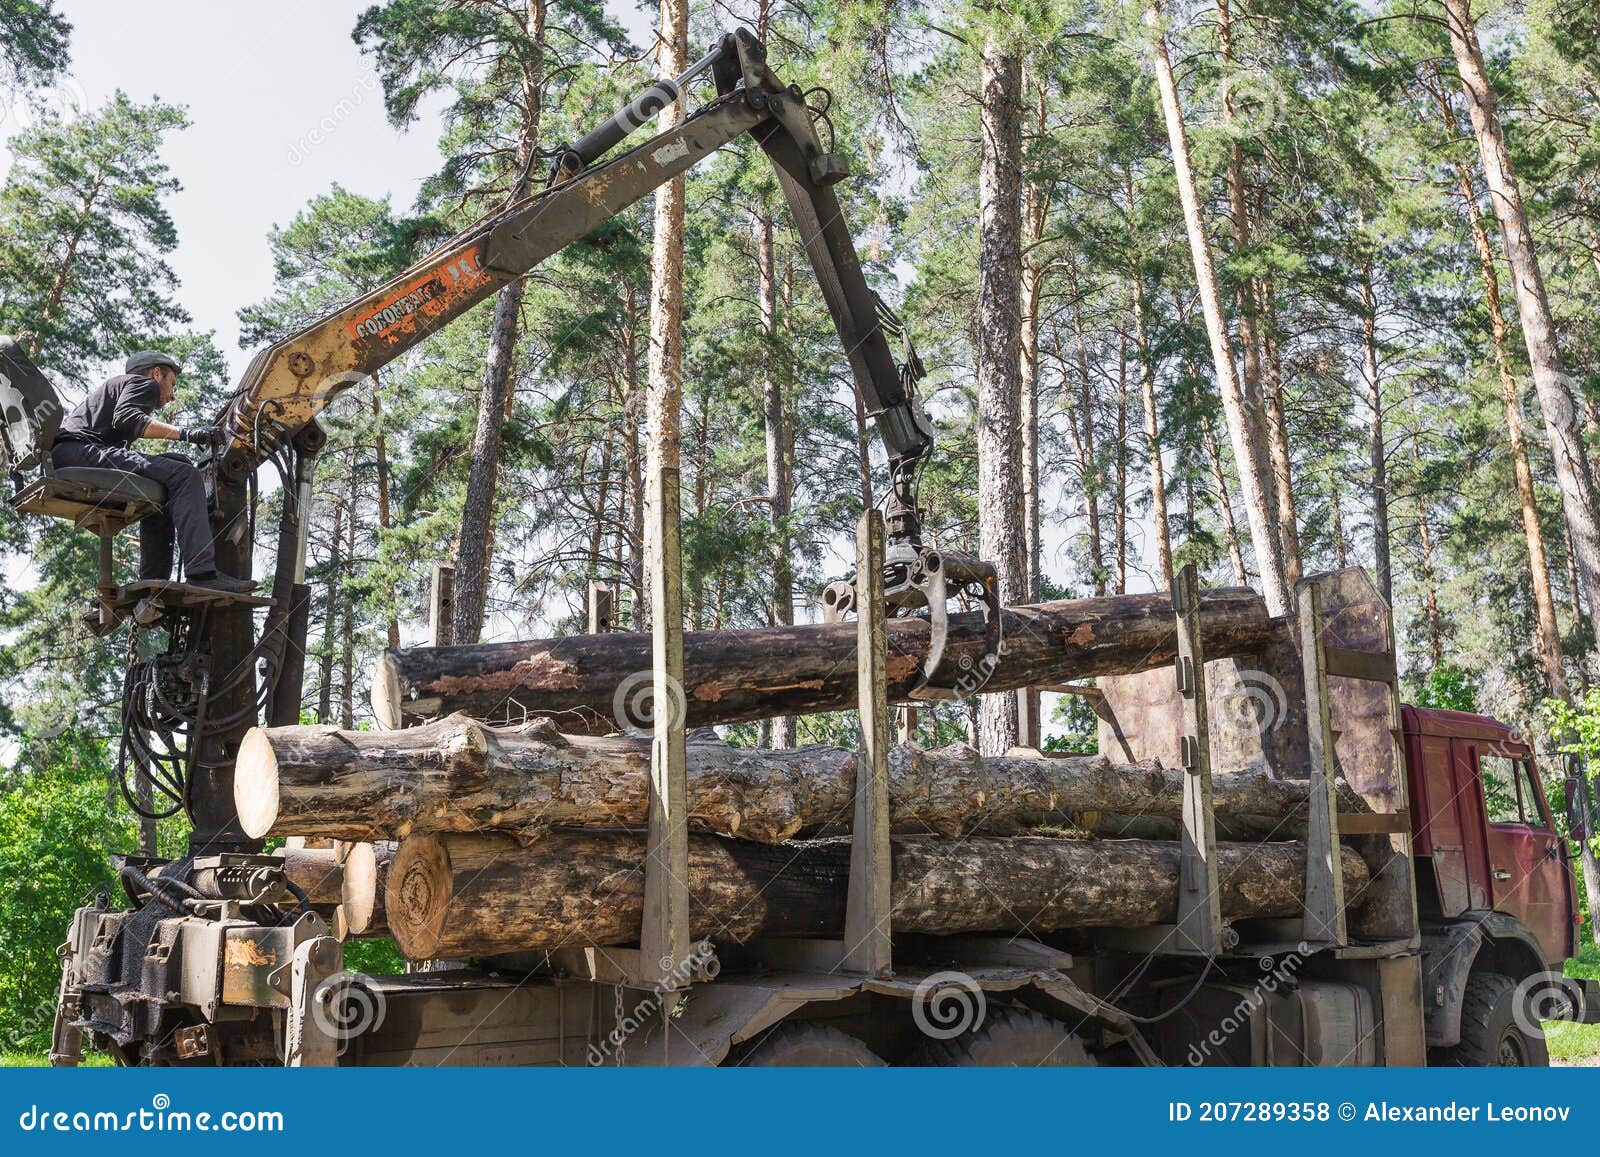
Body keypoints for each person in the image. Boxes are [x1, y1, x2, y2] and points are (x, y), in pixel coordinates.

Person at [51, 351, 255, 593]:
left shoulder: (121, 387)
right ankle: (202, 572)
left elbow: (125, 422)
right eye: (172, 384)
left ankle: (152, 582)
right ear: (157, 373)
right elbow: (128, 419)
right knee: (185, 475)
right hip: (82, 452)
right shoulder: (144, 384)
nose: (172, 396)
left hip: (74, 454)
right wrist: (188, 433)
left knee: (173, 470)